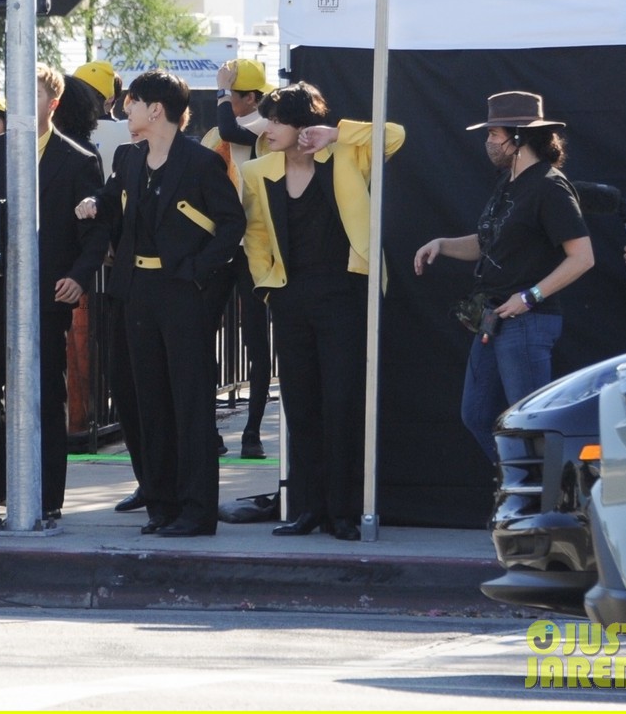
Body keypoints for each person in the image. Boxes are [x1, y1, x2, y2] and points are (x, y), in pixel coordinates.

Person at [75, 70, 245, 537]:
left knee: (188, 402)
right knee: (148, 400)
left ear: (156, 109)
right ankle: (162, 503)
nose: (125, 109)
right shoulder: (129, 158)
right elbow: (113, 197)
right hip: (136, 293)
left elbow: (232, 224)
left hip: (182, 294)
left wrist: (196, 270)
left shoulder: (200, 162)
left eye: (132, 102)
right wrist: (94, 202)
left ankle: (196, 510)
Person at [242, 83, 405, 541]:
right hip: (290, 299)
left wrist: (335, 133)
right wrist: (267, 285)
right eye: (268, 120)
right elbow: (255, 233)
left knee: (341, 403)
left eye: (277, 120)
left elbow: (394, 135)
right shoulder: (257, 170)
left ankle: (342, 511)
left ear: (302, 124)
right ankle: (307, 508)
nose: (268, 129)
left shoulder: (347, 155)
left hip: (344, 295)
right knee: (300, 405)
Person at [415, 91, 593, 464]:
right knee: (478, 415)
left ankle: (546, 496)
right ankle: (517, 486)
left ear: (519, 137)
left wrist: (530, 297)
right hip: (493, 318)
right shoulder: (509, 183)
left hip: (527, 322)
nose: (488, 142)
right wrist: (442, 245)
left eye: (494, 134)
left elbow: (582, 257)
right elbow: (487, 243)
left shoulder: (550, 186)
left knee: (531, 424)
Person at [0, 65, 109, 520]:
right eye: (16, 94)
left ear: (52, 103)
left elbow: (95, 233)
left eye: (31, 95)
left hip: (49, 295)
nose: (21, 104)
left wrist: (79, 277)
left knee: (47, 395)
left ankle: (48, 498)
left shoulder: (78, 160)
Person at [204, 59, 276, 460]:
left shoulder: (265, 124)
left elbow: (232, 132)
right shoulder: (215, 131)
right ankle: (208, 430)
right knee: (202, 336)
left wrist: (219, 92)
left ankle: (252, 432)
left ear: (251, 98)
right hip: (219, 245)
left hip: (254, 246)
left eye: (230, 94)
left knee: (256, 341)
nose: (225, 101)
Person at [74, 60, 129, 179]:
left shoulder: (129, 131)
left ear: (110, 98)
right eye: (73, 91)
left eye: (85, 91)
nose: (76, 97)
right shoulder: (63, 133)